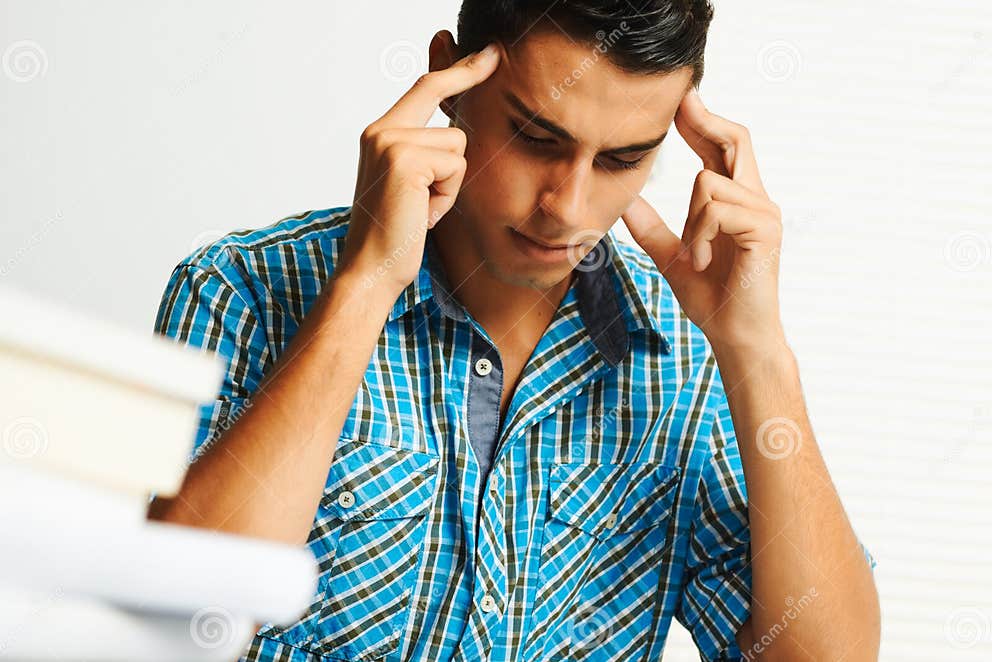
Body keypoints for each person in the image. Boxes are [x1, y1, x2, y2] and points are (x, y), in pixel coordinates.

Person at [149, 2, 880, 660]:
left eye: (624, 159)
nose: (568, 206)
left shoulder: (690, 365)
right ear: (450, 82)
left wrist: (758, 353)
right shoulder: (238, 289)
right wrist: (366, 289)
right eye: (535, 138)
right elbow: (168, 623)